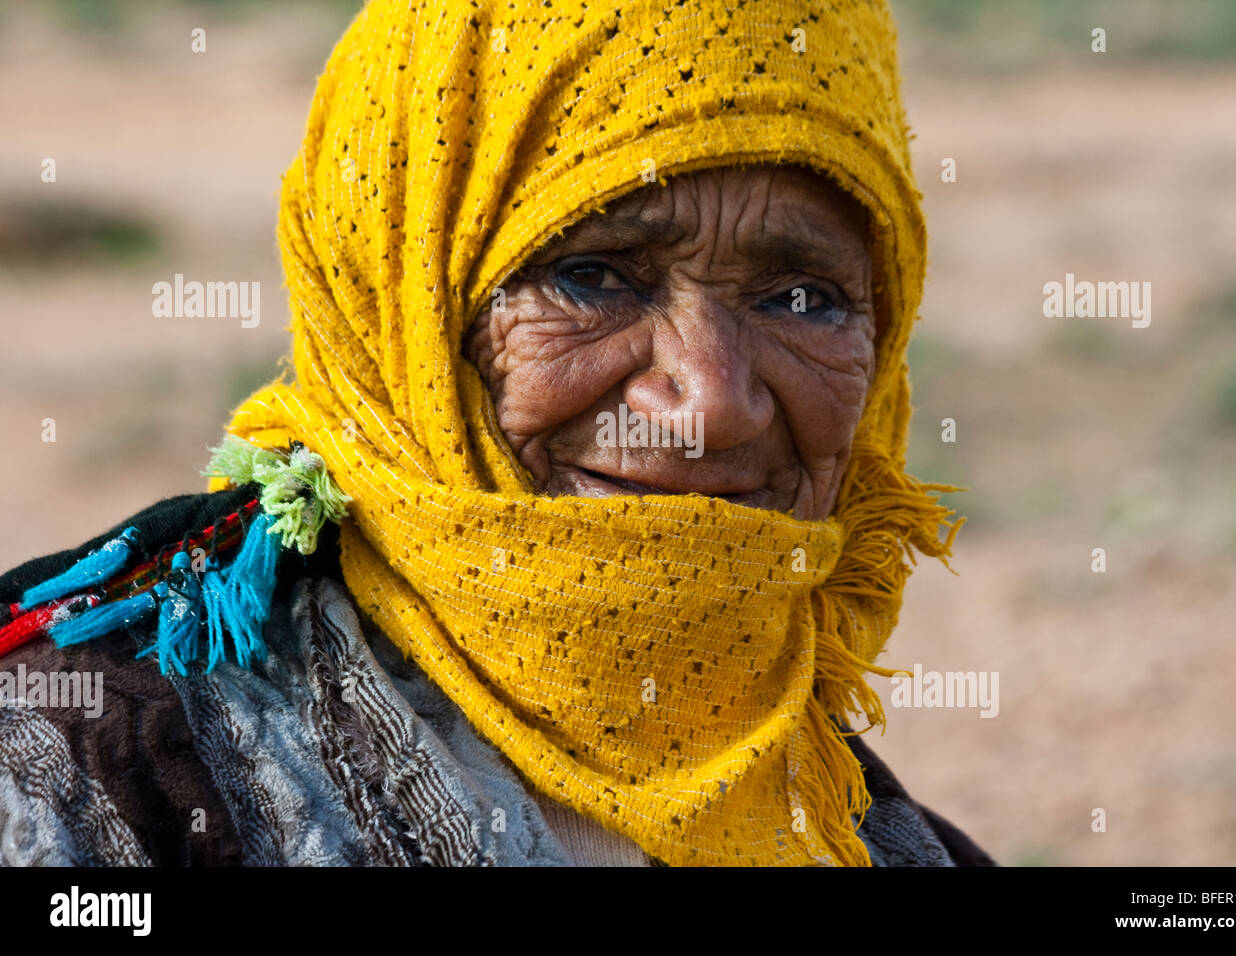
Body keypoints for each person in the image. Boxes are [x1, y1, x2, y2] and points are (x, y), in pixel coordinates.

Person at [0, 0, 993, 867]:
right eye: (591, 277)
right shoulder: (73, 770)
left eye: (802, 296)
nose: (712, 401)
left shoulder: (866, 832)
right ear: (391, 301)